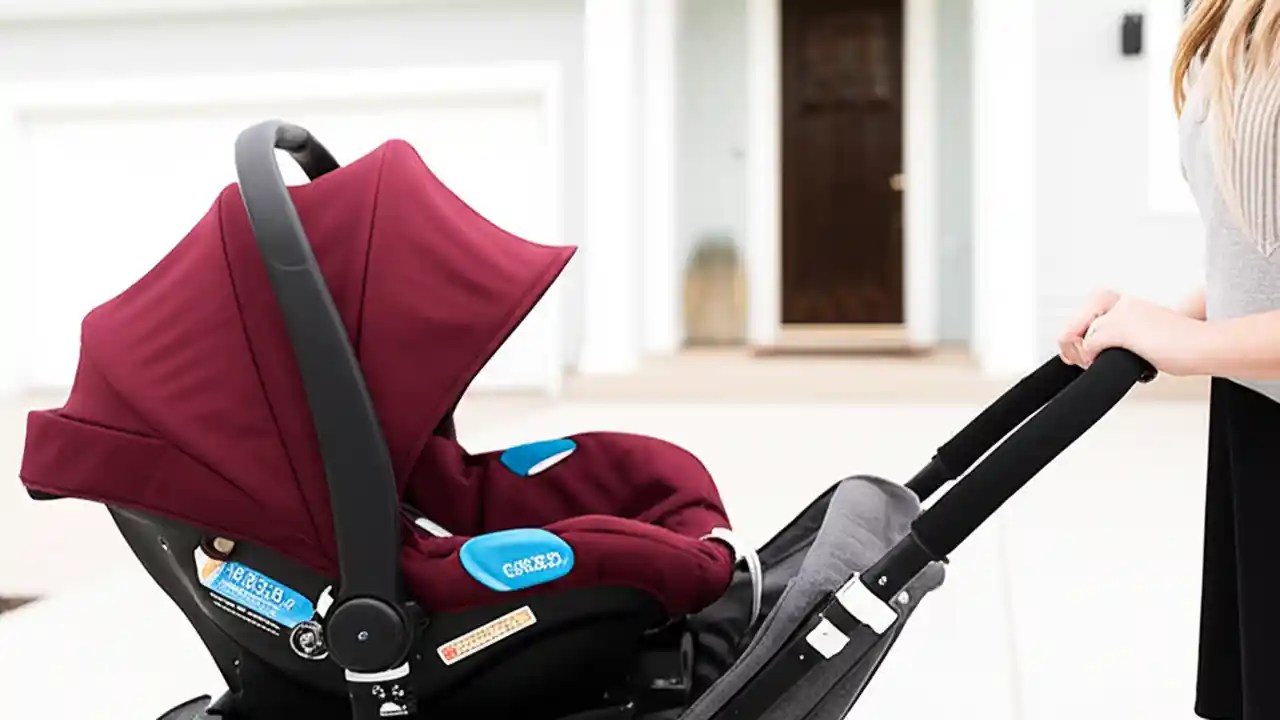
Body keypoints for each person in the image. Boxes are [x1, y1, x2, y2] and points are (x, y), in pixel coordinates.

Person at [1057, 2, 1280, 718]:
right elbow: (1257, 252)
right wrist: (1154, 321)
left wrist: (1190, 346)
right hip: (1254, 418)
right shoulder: (1220, 12)